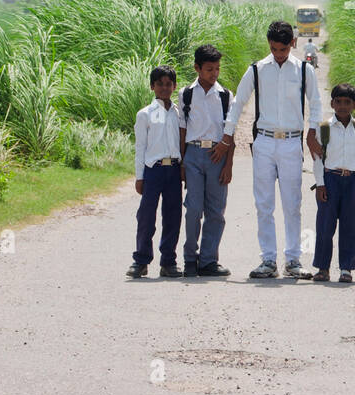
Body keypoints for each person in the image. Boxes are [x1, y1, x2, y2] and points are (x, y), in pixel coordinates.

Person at [220, 20, 323, 279]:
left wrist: (312, 132)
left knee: (292, 203)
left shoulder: (303, 70)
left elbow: (316, 102)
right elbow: (238, 102)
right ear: (269, 45)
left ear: (292, 44)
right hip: (264, 142)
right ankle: (268, 259)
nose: (279, 55)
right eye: (275, 49)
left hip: (291, 142)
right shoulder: (256, 69)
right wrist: (227, 136)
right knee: (264, 204)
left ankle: (293, 260)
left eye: (284, 50)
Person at [179, 44, 234, 277]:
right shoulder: (186, 94)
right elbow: (182, 129)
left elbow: (230, 131)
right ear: (197, 68)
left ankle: (209, 260)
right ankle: (190, 258)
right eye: (209, 69)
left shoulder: (225, 96)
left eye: (217, 69)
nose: (214, 74)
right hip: (193, 155)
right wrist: (181, 162)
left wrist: (228, 164)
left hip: (217, 155)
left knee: (216, 211)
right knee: (193, 208)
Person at [310, 83, 355, 282]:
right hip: (330, 179)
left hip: (352, 180)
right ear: (332, 103)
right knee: (325, 225)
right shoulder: (325, 128)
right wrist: (320, 184)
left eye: (347, 102)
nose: (343, 106)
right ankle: (323, 268)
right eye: (338, 102)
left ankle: (346, 268)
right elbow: (318, 158)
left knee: (351, 225)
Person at [126, 66, 184, 279]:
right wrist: (139, 176)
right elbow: (140, 147)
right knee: (146, 216)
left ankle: (168, 261)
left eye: (168, 84)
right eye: (160, 84)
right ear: (152, 86)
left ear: (174, 86)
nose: (164, 88)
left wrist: (183, 168)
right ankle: (141, 260)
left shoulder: (179, 113)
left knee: (173, 216)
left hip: (174, 170)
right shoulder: (145, 115)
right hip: (153, 170)